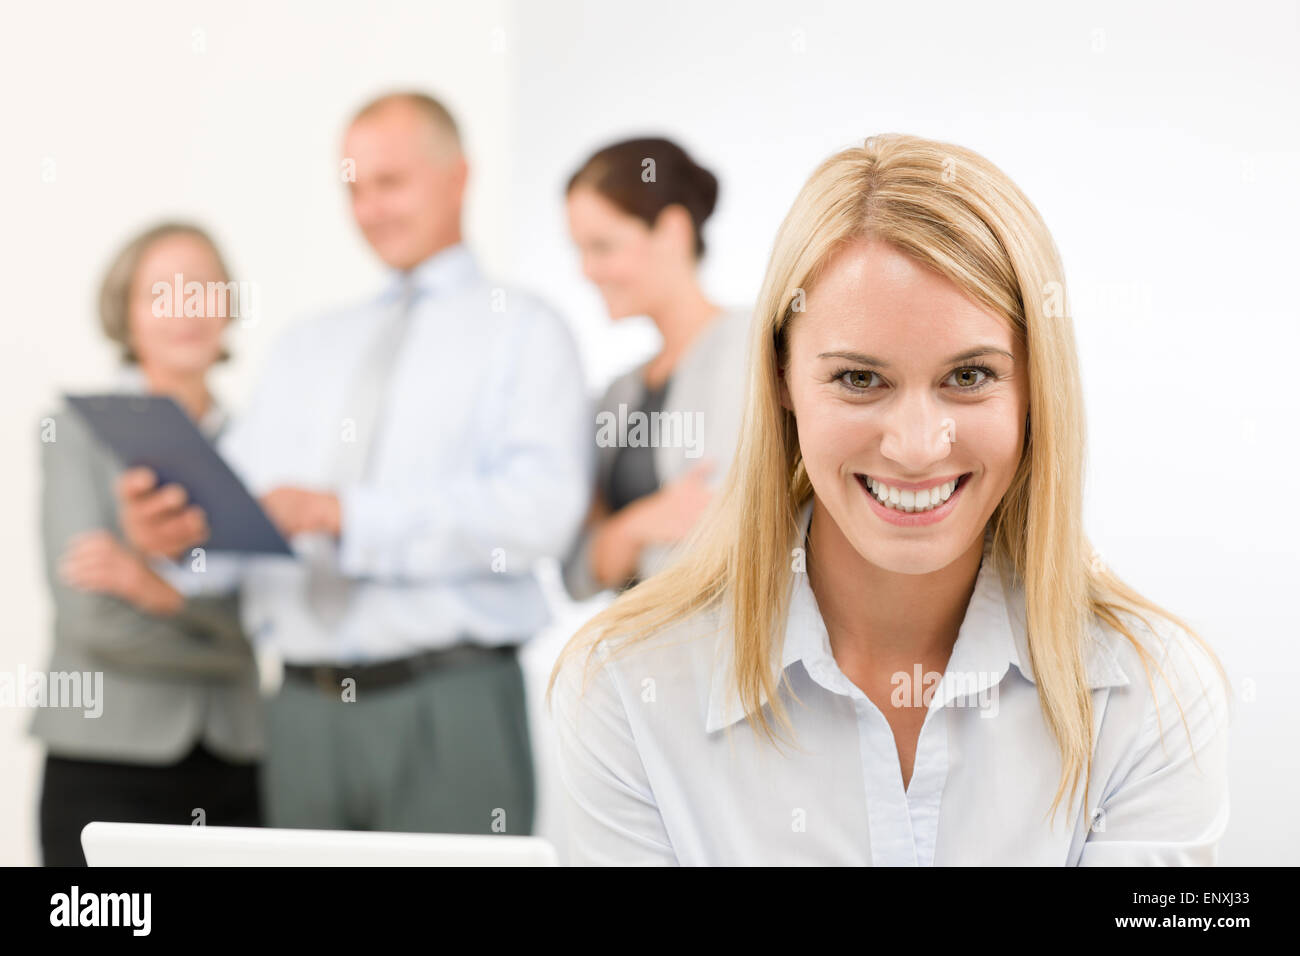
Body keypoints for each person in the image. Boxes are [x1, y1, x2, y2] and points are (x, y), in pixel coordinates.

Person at [547, 134, 1233, 865]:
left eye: (968, 377)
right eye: (859, 379)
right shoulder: (626, 687)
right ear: (781, 378)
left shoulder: (1151, 694)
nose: (915, 446)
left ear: (1037, 388)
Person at [115, 92, 591, 835]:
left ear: (459, 176)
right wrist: (177, 537)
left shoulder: (526, 331)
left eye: (390, 182)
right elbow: (239, 524)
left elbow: (539, 515)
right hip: (303, 719)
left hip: (451, 707)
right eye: (353, 188)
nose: (369, 209)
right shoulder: (306, 347)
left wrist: (347, 517)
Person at [34, 222, 263, 866]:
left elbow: (276, 627)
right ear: (124, 313)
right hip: (103, 763)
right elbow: (91, 617)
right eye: (161, 293)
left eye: (203, 290)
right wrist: (227, 645)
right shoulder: (75, 432)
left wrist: (150, 587)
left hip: (235, 770)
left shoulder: (261, 444)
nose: (185, 311)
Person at [561, 137, 750, 599]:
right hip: (633, 663)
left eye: (603, 246)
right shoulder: (619, 392)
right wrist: (641, 524)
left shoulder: (752, 352)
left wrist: (619, 537)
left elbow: (724, 542)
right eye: (579, 249)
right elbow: (576, 572)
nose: (586, 270)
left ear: (672, 231)